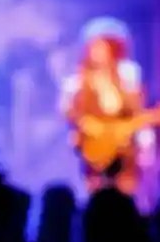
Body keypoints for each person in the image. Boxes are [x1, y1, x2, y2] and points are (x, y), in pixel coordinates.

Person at [60, 18, 149, 196]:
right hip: (93, 150)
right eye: (95, 46)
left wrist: (145, 140)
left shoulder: (127, 77)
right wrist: (84, 125)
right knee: (96, 191)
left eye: (104, 46)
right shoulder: (77, 81)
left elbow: (138, 112)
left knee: (124, 191)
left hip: (124, 150)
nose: (99, 52)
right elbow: (68, 111)